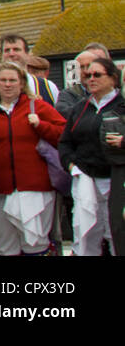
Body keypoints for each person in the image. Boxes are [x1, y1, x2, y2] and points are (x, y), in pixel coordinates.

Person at [0, 61, 65, 255]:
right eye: (3, 80)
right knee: (3, 246)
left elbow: (64, 134)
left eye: (12, 80)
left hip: (35, 189)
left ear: (21, 83)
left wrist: (41, 126)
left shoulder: (38, 107)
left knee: (35, 244)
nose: (8, 84)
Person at [58, 57, 124, 255]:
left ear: (113, 78)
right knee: (86, 235)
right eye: (87, 75)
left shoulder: (122, 107)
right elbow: (65, 142)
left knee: (117, 232)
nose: (91, 79)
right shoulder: (80, 108)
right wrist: (71, 166)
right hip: (85, 178)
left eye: (97, 74)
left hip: (116, 179)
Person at [0, 34, 58, 106]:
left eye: (16, 49)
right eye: (7, 50)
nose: (11, 54)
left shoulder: (48, 87)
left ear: (27, 54)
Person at [57, 44, 114, 118]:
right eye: (81, 67)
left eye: (89, 66)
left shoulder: (113, 91)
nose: (86, 71)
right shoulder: (68, 95)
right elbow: (64, 113)